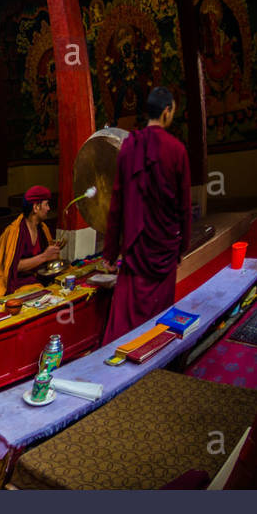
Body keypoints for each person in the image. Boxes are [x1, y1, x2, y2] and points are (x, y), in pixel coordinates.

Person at [101, 86, 192, 343]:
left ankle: (116, 356)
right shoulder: (177, 150)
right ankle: (153, 356)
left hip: (135, 246)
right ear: (166, 112)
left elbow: (117, 202)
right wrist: (182, 246)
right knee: (157, 312)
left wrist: (110, 252)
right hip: (163, 247)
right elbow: (184, 206)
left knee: (127, 315)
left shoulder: (129, 147)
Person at [0, 185, 59, 302]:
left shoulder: (43, 228)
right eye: (46, 204)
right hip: (18, 282)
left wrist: (53, 254)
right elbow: (14, 266)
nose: (49, 208)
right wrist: (44, 257)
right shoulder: (14, 232)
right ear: (36, 207)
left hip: (38, 277)